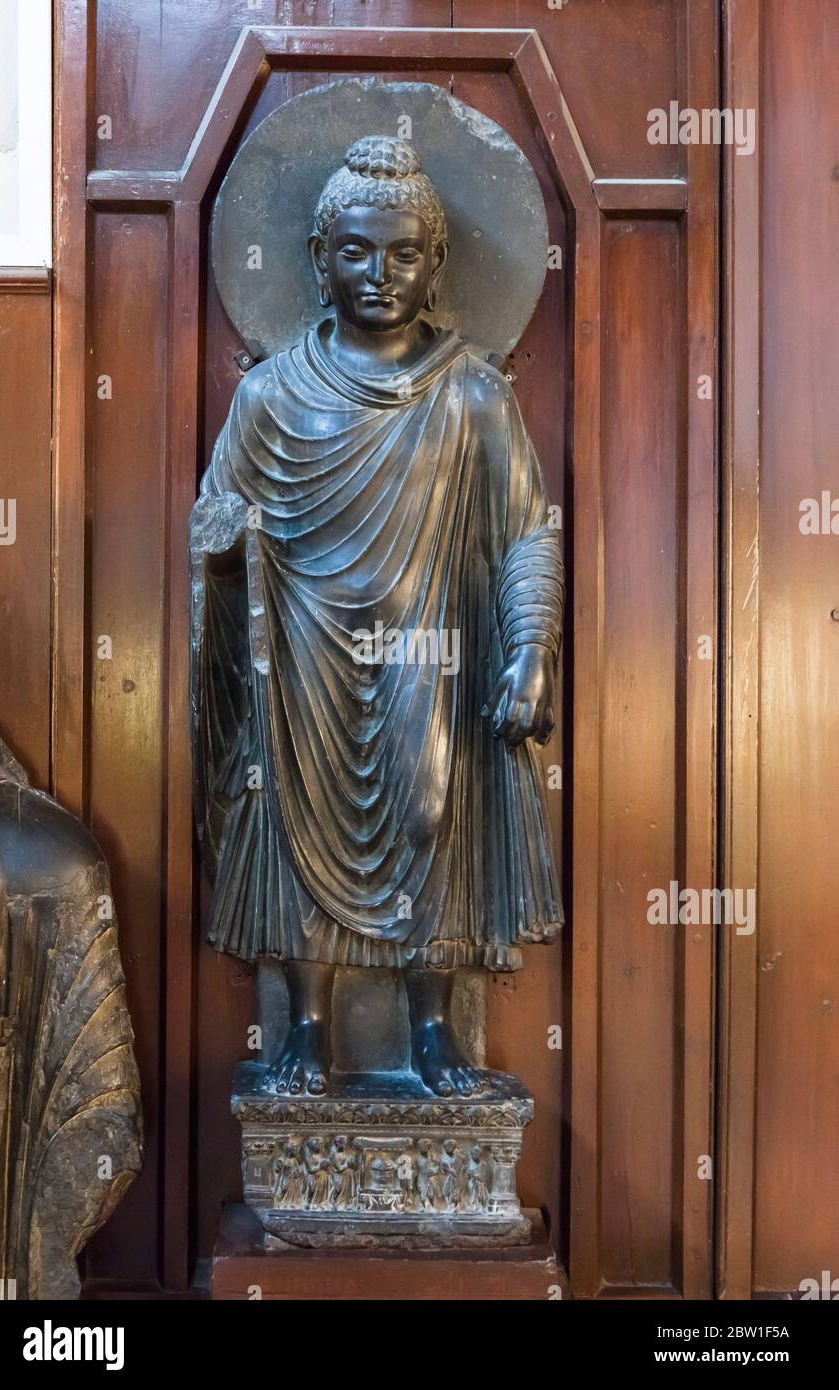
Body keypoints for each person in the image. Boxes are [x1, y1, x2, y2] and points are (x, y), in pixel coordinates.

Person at [193, 135, 564, 1099]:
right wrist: (229, 541)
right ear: (320, 259)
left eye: (404, 254)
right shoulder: (272, 396)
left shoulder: (473, 394)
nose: (379, 274)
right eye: (356, 251)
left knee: (432, 806)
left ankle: (434, 1028)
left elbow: (526, 528)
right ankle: (305, 1032)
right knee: (291, 812)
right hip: (304, 647)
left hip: (427, 646)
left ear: (436, 263)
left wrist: (529, 648)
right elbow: (213, 522)